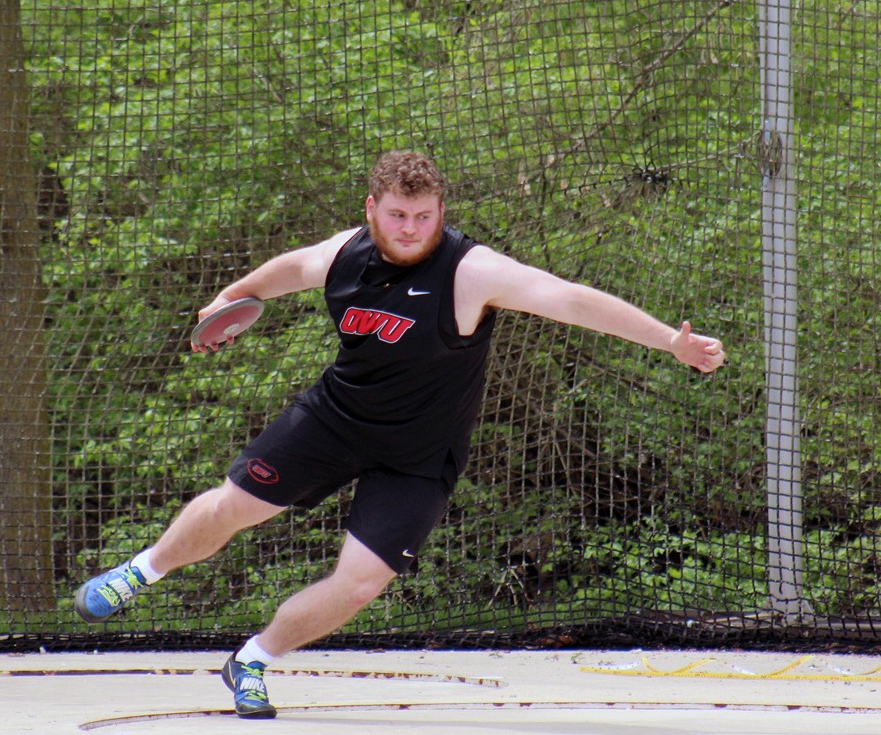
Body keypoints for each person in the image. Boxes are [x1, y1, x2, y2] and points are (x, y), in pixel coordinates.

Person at [74, 150, 726, 719]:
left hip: (417, 457)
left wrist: (670, 340)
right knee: (233, 507)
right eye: (397, 216)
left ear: (440, 210)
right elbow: (279, 274)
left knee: (360, 584)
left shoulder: (473, 272)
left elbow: (572, 299)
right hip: (334, 421)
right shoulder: (342, 256)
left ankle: (251, 660)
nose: (411, 229)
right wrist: (231, 298)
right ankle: (142, 571)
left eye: (423, 216)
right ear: (372, 209)